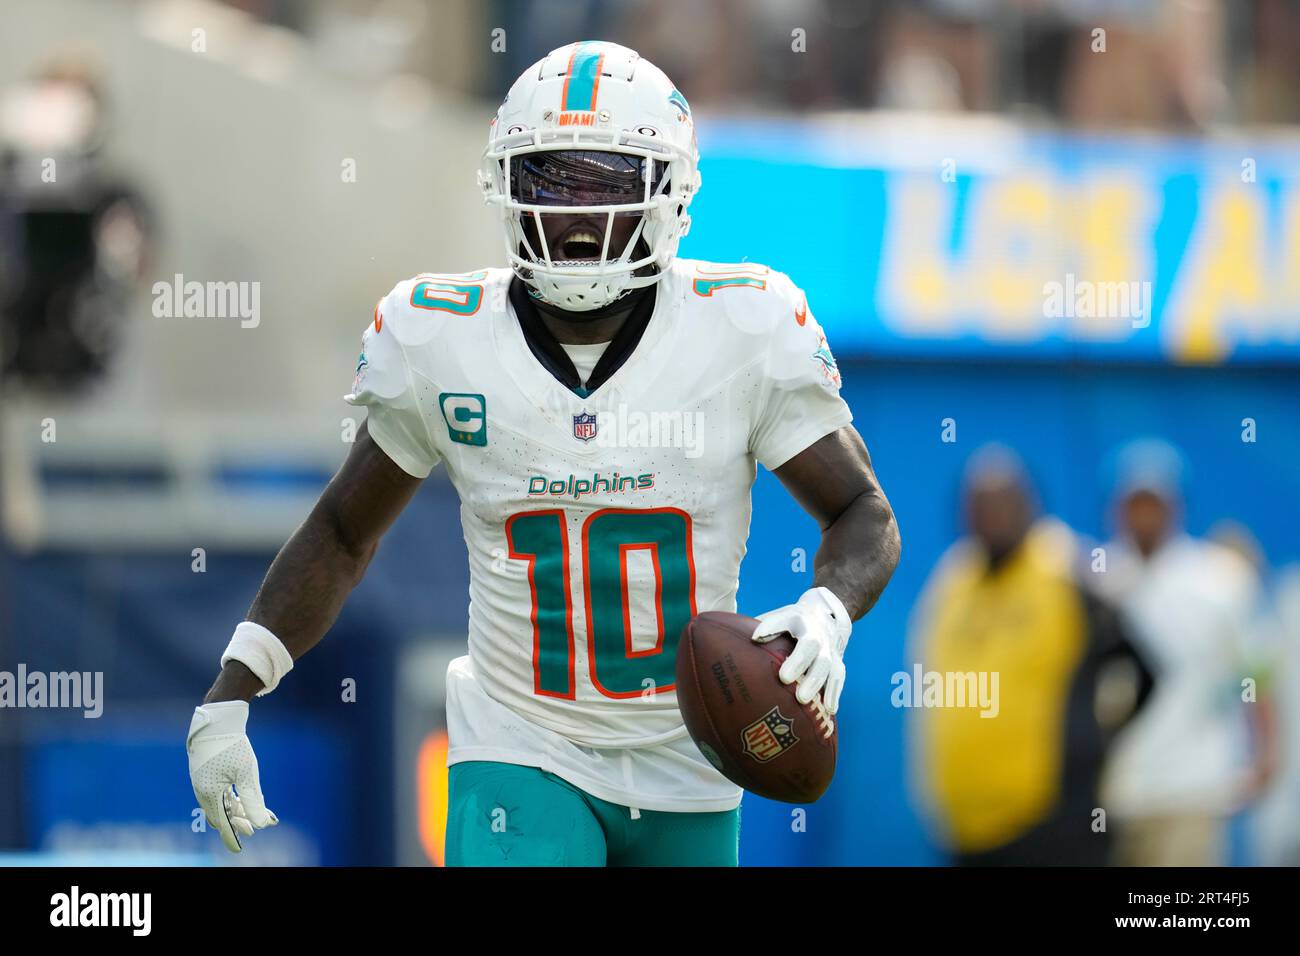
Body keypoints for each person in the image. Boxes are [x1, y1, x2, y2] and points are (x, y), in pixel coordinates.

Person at [185, 41, 900, 867]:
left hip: (693, 755)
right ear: (507, 187)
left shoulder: (742, 330)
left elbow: (863, 513)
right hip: (521, 743)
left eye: (607, 182)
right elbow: (345, 531)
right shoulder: (441, 340)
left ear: (668, 193)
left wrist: (827, 611)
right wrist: (230, 695)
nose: (577, 213)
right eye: (552, 181)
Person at [910, 445, 1152, 866]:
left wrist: (1097, 741)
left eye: (1003, 503)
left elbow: (1144, 669)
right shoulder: (952, 583)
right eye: (978, 505)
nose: (990, 515)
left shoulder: (1067, 571)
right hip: (965, 830)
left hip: (1053, 824)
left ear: (1030, 505)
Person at [1096, 439, 1275, 866]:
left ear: (1176, 506)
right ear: (1116, 508)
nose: (1143, 514)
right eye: (1134, 503)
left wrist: (1266, 756)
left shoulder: (1220, 579)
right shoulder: (1097, 578)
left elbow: (1257, 673)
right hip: (1111, 796)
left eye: (1153, 503)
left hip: (1191, 791)